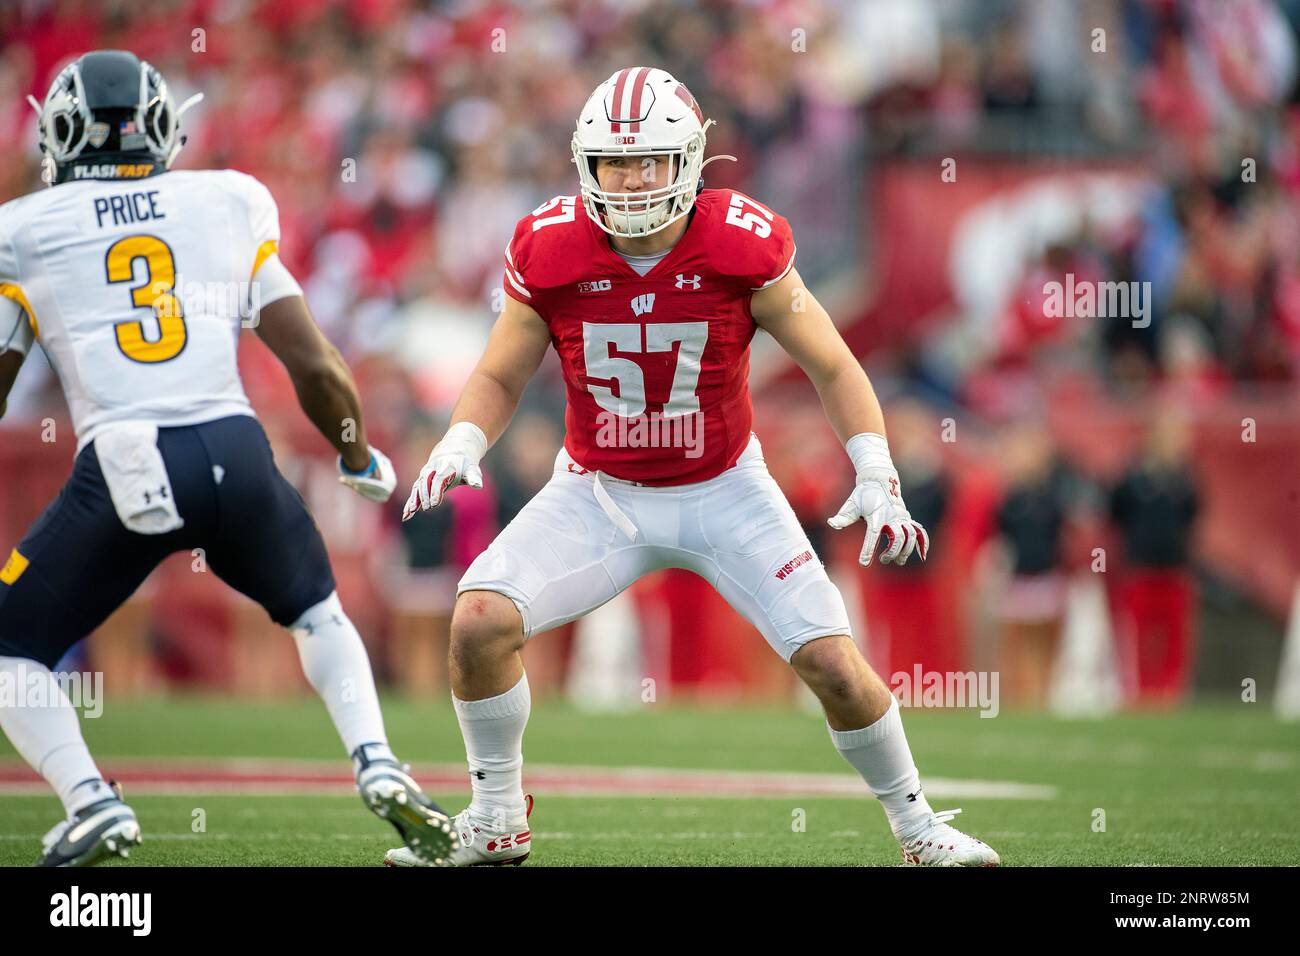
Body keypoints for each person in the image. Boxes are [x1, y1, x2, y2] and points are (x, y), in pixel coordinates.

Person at [391, 68, 999, 867]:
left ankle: (921, 831)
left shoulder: (739, 241)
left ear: (692, 161)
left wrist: (875, 467)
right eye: (617, 162)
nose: (635, 179)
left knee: (834, 665)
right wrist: (463, 439)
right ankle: (497, 817)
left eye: (652, 161)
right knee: (478, 622)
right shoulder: (550, 244)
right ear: (586, 165)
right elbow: (502, 373)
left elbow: (836, 366)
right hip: (598, 492)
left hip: (726, 489)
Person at [0, 51, 456, 866]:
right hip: (237, 453)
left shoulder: (26, 228)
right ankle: (378, 761)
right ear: (166, 126)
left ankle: (90, 799)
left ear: (61, 131)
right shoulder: (227, 198)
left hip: (128, 464)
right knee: (318, 611)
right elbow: (314, 363)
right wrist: (355, 453)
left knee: (8, 646)